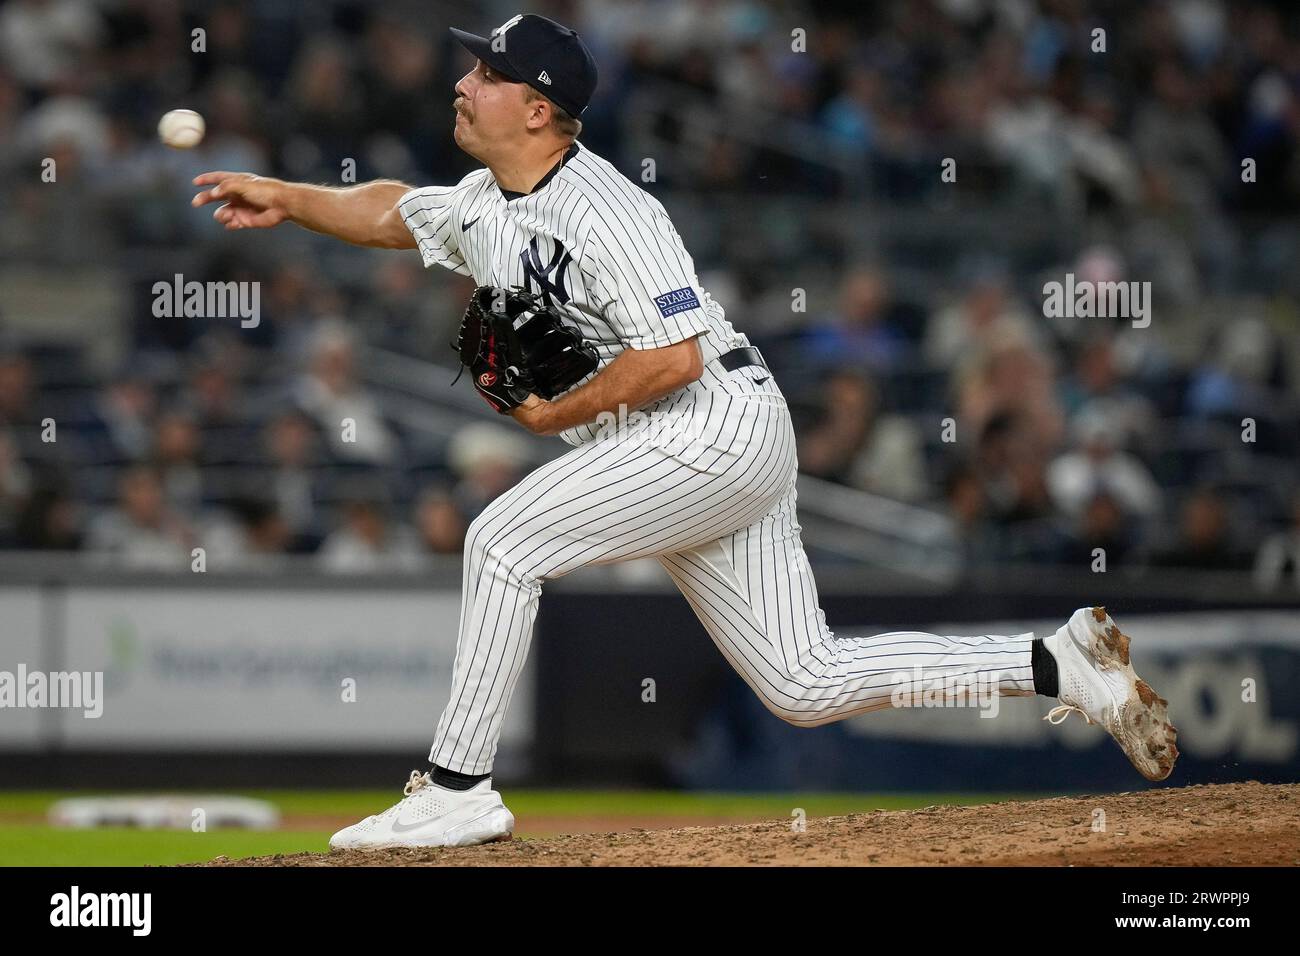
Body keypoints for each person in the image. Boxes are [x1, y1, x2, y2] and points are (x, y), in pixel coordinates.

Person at [191, 14, 1178, 851]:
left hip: (714, 425)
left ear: (535, 108)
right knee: (805, 678)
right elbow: (390, 213)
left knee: (500, 541)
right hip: (670, 448)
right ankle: (1062, 661)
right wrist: (287, 198)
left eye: (483, 74)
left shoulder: (610, 211)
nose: (461, 82)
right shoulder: (487, 203)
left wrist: (549, 414)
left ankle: (458, 785)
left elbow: (675, 359)